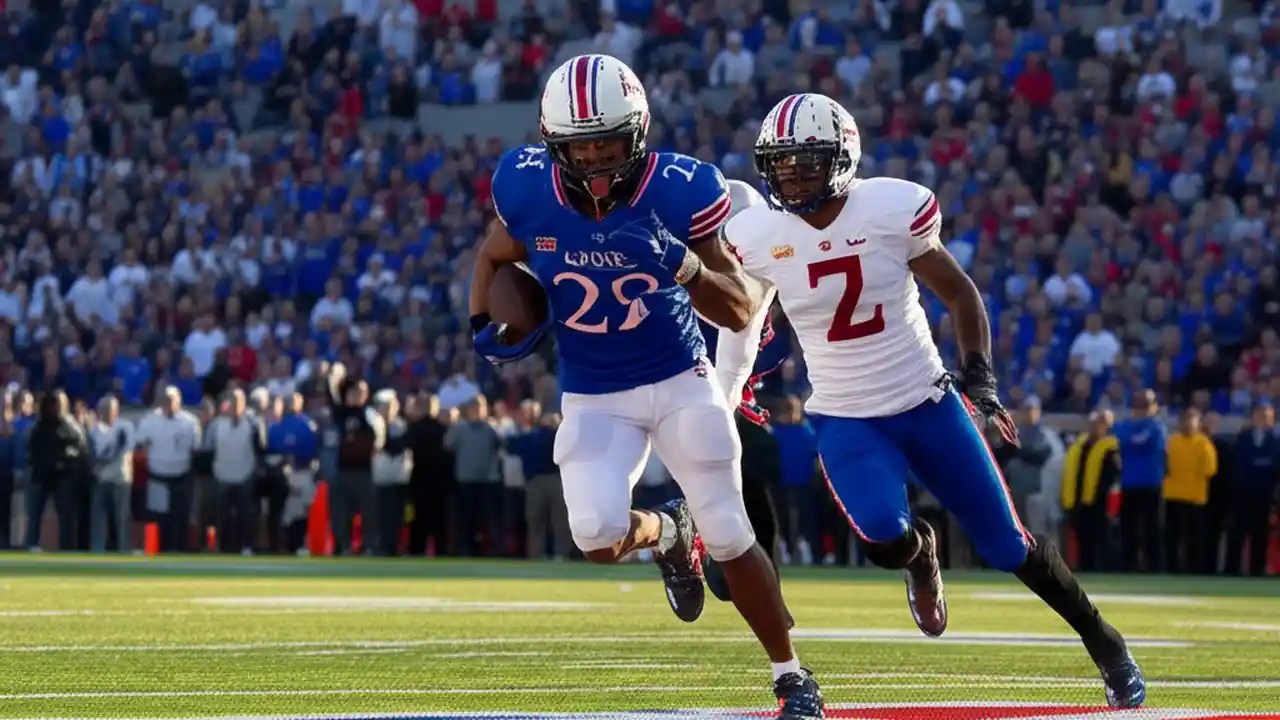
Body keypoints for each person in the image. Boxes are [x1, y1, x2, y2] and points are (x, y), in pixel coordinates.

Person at [715, 92, 1144, 709]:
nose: (791, 174)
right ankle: (922, 554)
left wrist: (980, 378)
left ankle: (1107, 646)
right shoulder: (756, 235)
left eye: (806, 160)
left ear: (842, 156)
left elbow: (962, 295)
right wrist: (736, 378)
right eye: (781, 163)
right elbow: (750, 318)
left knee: (1007, 545)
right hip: (845, 416)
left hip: (925, 401)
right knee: (882, 538)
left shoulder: (890, 209)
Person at [468, 54, 823, 717]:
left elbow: (741, 308)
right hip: (594, 391)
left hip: (678, 377)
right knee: (596, 535)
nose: (598, 156)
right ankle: (664, 533)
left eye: (609, 140)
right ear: (554, 143)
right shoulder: (524, 186)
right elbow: (494, 252)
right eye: (583, 144)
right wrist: (481, 318)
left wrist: (683, 264)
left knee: (729, 530)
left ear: (638, 132)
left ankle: (792, 676)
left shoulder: (681, 189)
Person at [26, 390, 91, 551]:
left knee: (66, 518)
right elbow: (29, 449)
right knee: (34, 516)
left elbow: (80, 450)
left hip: (64, 477)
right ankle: (31, 546)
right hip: (40, 475)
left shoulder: (71, 427)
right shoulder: (38, 427)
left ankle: (66, 548)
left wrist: (66, 462)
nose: (52, 409)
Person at [1113, 390, 1167, 572]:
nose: (1141, 409)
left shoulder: (1158, 428)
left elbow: (1138, 441)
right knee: (1128, 529)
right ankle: (1128, 566)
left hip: (1151, 484)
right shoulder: (1125, 426)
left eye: (1146, 404)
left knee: (1153, 529)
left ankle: (1155, 567)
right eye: (1138, 404)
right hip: (1129, 484)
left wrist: (1129, 441)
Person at [1060, 410, 1119, 572]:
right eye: (1094, 423)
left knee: (1102, 537)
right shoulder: (1080, 445)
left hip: (1101, 500)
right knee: (1082, 538)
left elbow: (1113, 477)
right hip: (1079, 500)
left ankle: (1103, 569)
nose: (1096, 427)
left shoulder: (1112, 448)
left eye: (1101, 423)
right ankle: (1086, 568)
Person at [1163, 407, 1218, 574]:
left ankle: (1195, 570)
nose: (1187, 424)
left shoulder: (1204, 443)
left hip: (1194, 497)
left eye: (1191, 420)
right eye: (1184, 420)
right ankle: (1171, 569)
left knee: (1194, 539)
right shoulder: (1172, 441)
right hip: (1173, 496)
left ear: (1198, 423)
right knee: (1172, 538)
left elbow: (1210, 469)